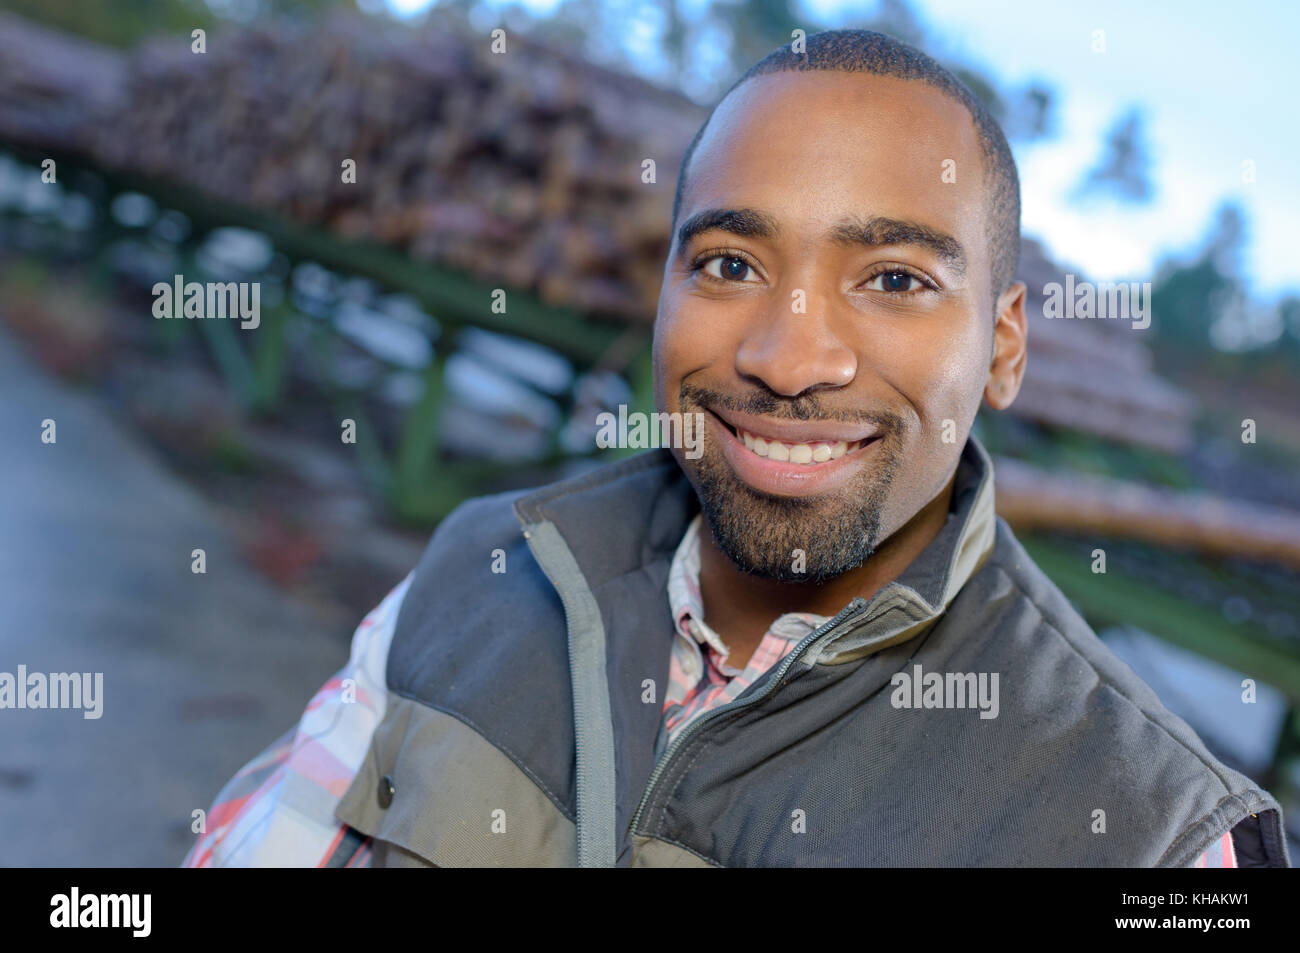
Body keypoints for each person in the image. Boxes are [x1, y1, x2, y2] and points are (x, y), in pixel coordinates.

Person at [183, 29, 1287, 868]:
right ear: (660, 286)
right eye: (727, 264)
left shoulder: (1158, 833)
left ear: (1002, 351)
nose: (786, 356)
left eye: (894, 281)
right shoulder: (471, 573)